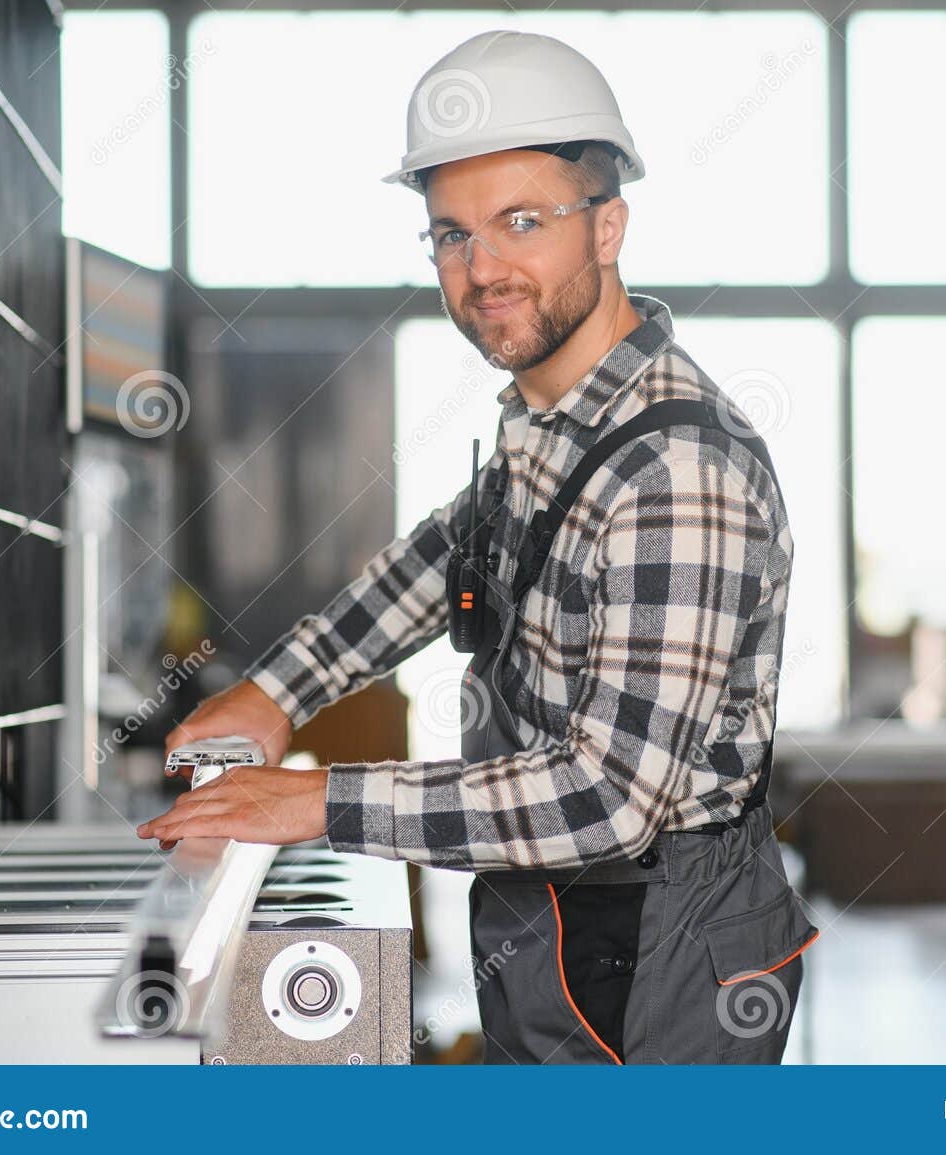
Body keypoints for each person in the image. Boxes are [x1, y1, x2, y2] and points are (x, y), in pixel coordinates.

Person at [138, 28, 817, 1065]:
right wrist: (273, 695)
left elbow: (605, 800)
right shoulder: (549, 423)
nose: (481, 268)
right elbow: (434, 565)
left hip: (660, 945)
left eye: (521, 223)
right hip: (550, 918)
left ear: (608, 228)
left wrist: (317, 799)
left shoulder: (674, 469)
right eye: (450, 235)